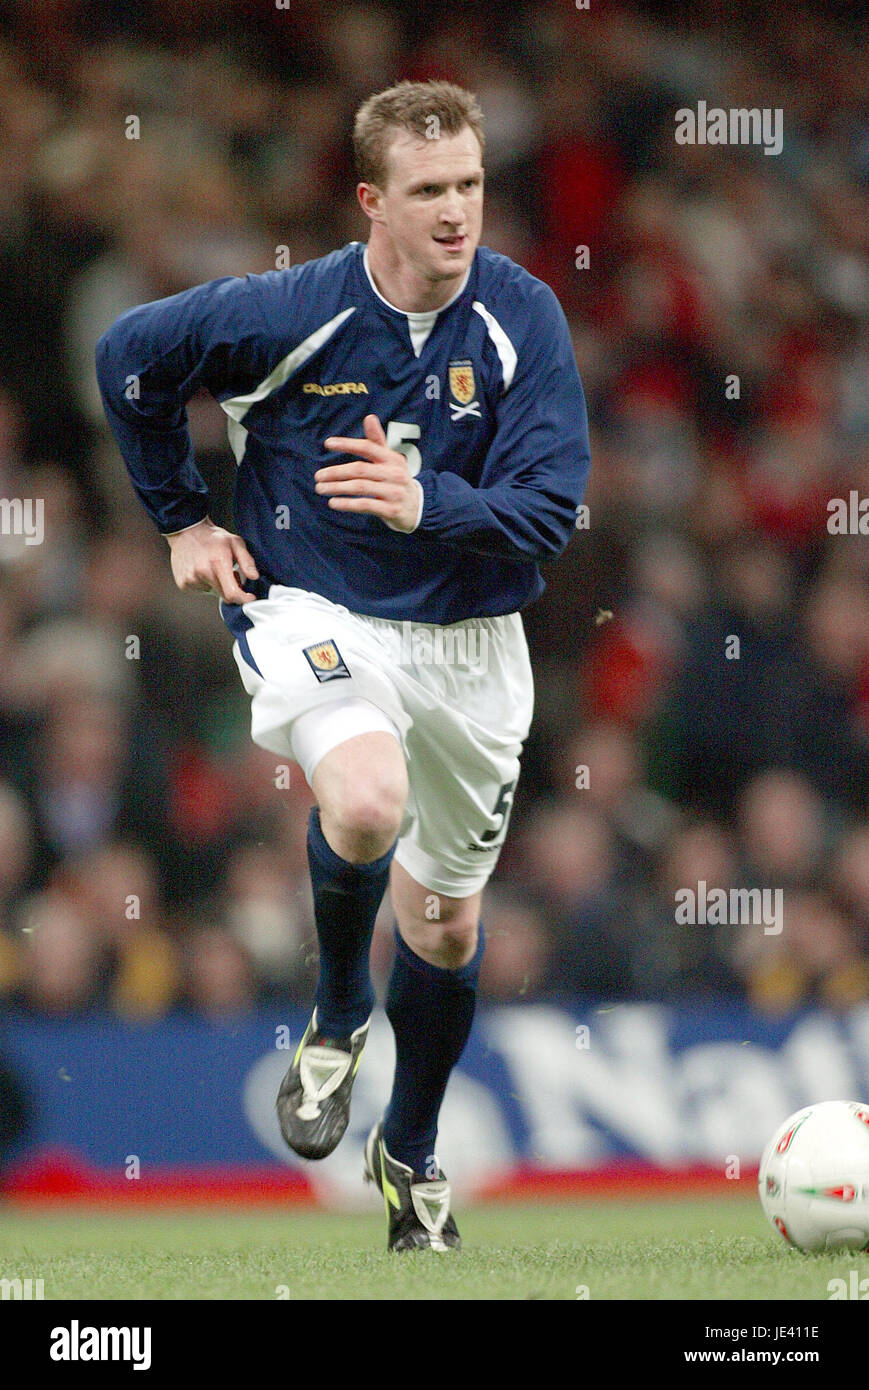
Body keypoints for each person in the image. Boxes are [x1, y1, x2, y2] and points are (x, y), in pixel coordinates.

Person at [96, 79, 590, 1251]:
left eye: (469, 184)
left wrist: (429, 501)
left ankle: (409, 1150)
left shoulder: (523, 321)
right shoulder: (287, 312)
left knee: (449, 930)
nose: (456, 211)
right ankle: (331, 1019)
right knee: (364, 801)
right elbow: (129, 357)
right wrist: (180, 521)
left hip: (472, 650)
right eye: (428, 191)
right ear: (372, 199)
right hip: (317, 605)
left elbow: (549, 511)